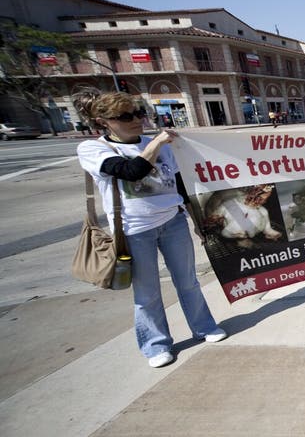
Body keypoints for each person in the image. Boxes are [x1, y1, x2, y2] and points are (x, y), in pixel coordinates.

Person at [73, 91, 226, 368]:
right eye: (124, 116)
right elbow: (131, 171)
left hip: (173, 222)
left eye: (137, 113)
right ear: (103, 121)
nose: (135, 120)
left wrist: (197, 221)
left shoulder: (161, 146)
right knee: (147, 293)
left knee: (188, 281)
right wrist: (155, 144)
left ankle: (204, 327)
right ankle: (156, 345)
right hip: (134, 230)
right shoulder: (95, 149)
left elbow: (180, 186)